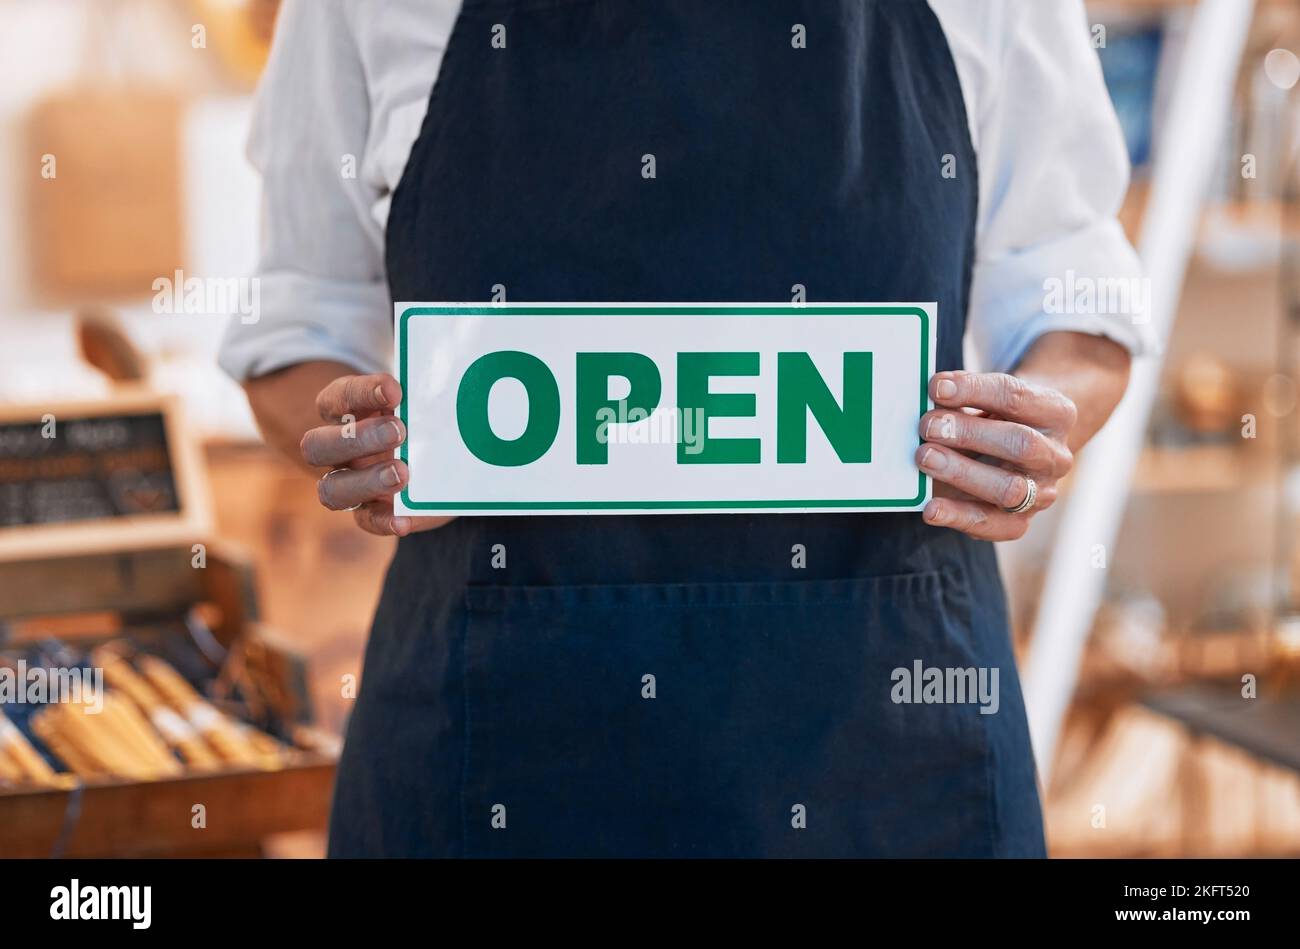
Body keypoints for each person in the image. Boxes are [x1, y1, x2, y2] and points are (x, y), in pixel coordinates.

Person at [221, 0, 1145, 857]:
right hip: (498, 737)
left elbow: (1077, 292)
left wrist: (1034, 421)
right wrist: (348, 431)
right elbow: (299, 323)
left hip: (891, 751)